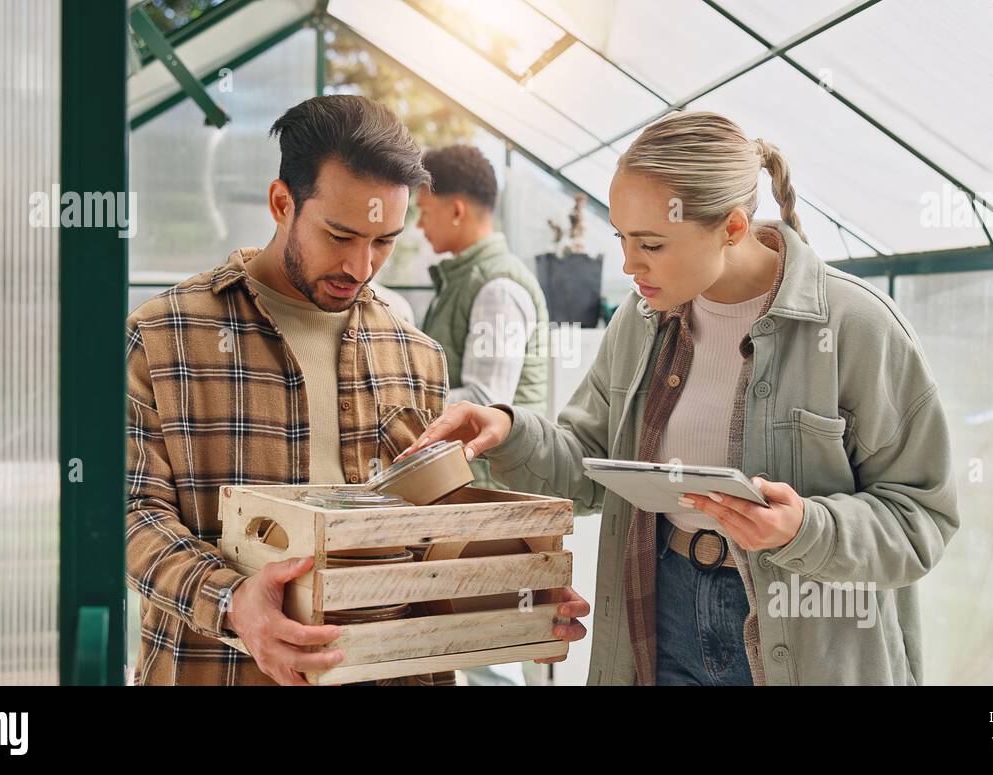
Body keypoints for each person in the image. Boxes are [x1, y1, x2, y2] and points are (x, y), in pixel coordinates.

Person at [401, 111, 960, 686]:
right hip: (658, 608)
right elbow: (593, 464)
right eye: (620, 237)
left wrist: (804, 530)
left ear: (733, 229)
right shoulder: (641, 319)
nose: (627, 263)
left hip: (809, 638)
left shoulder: (854, 327)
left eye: (651, 243)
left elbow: (922, 517)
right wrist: (509, 430)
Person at [124, 94, 587, 685]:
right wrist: (234, 601)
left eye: (384, 241)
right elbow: (133, 514)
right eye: (339, 235)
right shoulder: (164, 336)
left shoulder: (416, 355)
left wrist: (515, 590)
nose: (361, 267)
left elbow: (429, 536)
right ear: (281, 203)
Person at [415, 145, 549, 489]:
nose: (418, 224)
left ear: (457, 211)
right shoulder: (464, 278)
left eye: (424, 211)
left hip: (493, 486)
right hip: (476, 477)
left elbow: (485, 398)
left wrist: (399, 400)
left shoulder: (498, 288)